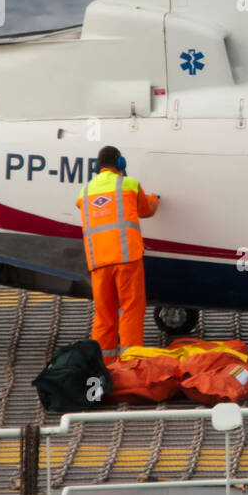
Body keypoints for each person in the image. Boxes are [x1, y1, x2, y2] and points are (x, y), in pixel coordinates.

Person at [77, 145, 159, 358]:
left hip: (99, 262)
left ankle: (104, 364)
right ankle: (131, 363)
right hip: (126, 257)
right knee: (131, 309)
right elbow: (146, 210)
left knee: (104, 316)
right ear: (121, 163)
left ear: (98, 166)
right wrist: (155, 200)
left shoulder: (85, 192)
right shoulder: (129, 185)